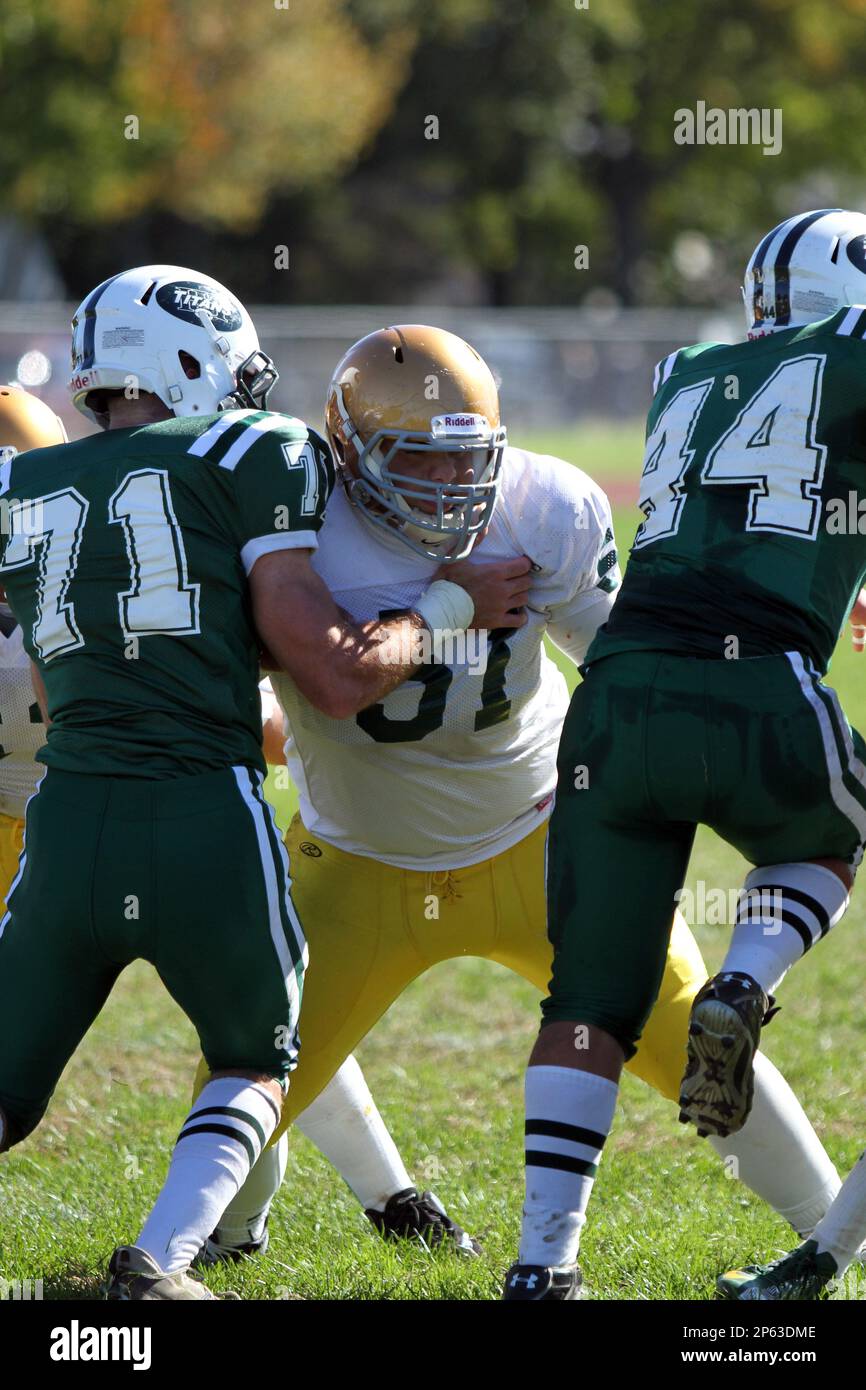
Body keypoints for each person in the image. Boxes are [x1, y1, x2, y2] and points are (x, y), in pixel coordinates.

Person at [201, 324, 846, 1281]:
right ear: (349, 449)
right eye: (416, 454)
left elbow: (622, 658)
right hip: (360, 861)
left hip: (548, 840)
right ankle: (221, 1239)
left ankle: (836, 1238)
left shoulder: (544, 504)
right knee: (253, 1074)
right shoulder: (294, 529)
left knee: (701, 1051)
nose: (445, 483)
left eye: (466, 456)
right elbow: (305, 677)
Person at [0, 270, 506, 1300]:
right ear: (191, 356)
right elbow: (330, 667)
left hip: (65, 822)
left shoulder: (25, 483)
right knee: (253, 1056)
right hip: (200, 814)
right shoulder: (251, 447)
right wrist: (447, 604)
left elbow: (59, 685)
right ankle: (162, 1262)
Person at [504, 209, 866, 1300]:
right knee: (831, 832)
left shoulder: (684, 368)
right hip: (754, 675)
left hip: (613, 697)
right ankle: (746, 978)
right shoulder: (849, 350)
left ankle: (541, 1265)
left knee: (584, 1002)